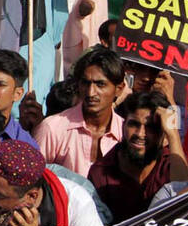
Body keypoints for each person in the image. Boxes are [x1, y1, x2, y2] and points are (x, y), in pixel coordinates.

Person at [88, 90, 188, 222]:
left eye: (151, 127)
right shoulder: (101, 173)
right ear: (123, 125)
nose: (140, 134)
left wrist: (173, 134)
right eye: (134, 124)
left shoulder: (173, 165)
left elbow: (186, 197)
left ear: (163, 135)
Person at [33, 46, 125, 176]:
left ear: (119, 89)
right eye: (85, 83)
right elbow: (33, 178)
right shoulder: (52, 128)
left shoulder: (125, 133)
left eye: (100, 84)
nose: (91, 92)